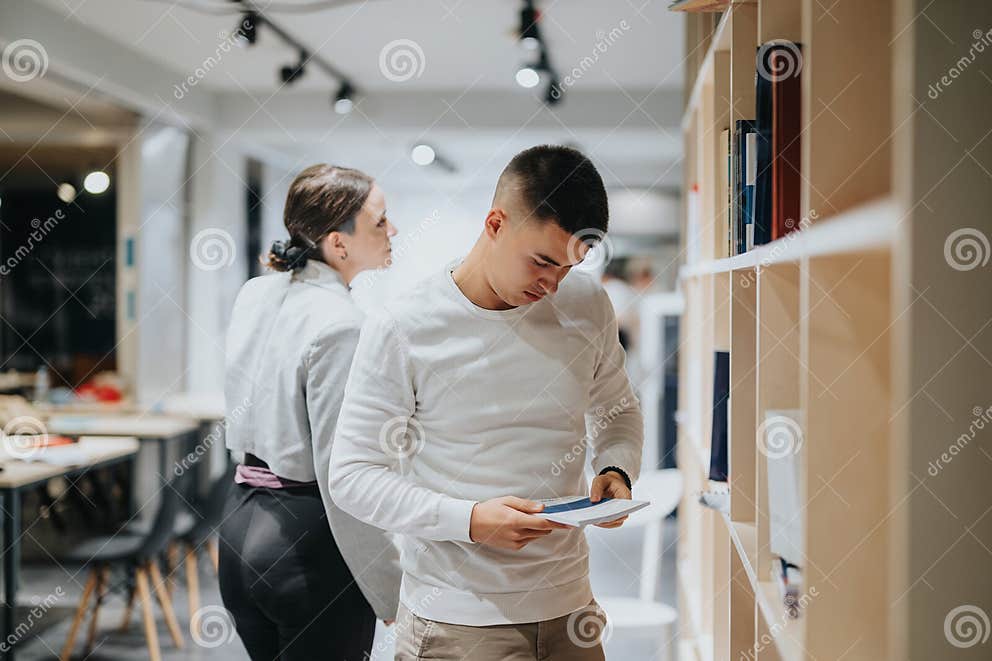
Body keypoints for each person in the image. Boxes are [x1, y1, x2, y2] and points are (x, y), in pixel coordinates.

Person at [329, 145, 644, 660]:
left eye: (569, 266)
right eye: (542, 261)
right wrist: (469, 519)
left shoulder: (586, 305)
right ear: (495, 223)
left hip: (571, 609)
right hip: (458, 620)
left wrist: (616, 466)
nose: (552, 284)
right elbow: (352, 475)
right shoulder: (404, 326)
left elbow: (618, 407)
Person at [219, 164, 401, 660]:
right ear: (338, 244)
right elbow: (342, 477)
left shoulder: (254, 293)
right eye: (381, 222)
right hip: (306, 543)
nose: (394, 231)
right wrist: (389, 585)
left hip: (237, 527)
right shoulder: (343, 324)